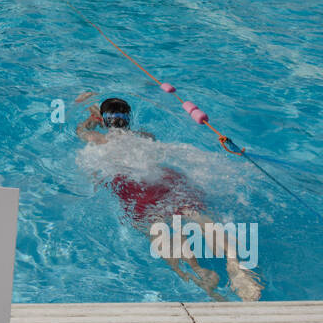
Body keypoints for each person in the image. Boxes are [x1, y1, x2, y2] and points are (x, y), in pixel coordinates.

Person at [74, 93, 262, 301]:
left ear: (104, 120)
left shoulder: (97, 139)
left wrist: (91, 119)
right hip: (165, 180)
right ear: (129, 118)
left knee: (158, 229)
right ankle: (235, 265)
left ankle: (196, 273)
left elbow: (81, 131)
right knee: (198, 217)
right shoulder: (146, 137)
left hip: (133, 186)